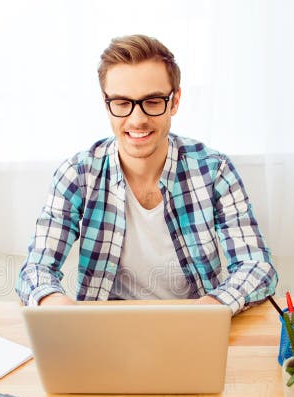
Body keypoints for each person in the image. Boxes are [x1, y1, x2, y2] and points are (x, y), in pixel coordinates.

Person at [16, 34, 277, 315]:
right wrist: (57, 304)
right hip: (105, 329)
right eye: (122, 102)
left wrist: (211, 308)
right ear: (107, 105)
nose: (137, 119)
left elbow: (257, 266)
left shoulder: (214, 171)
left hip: (192, 323)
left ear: (175, 100)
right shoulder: (77, 174)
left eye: (152, 101)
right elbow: (36, 268)